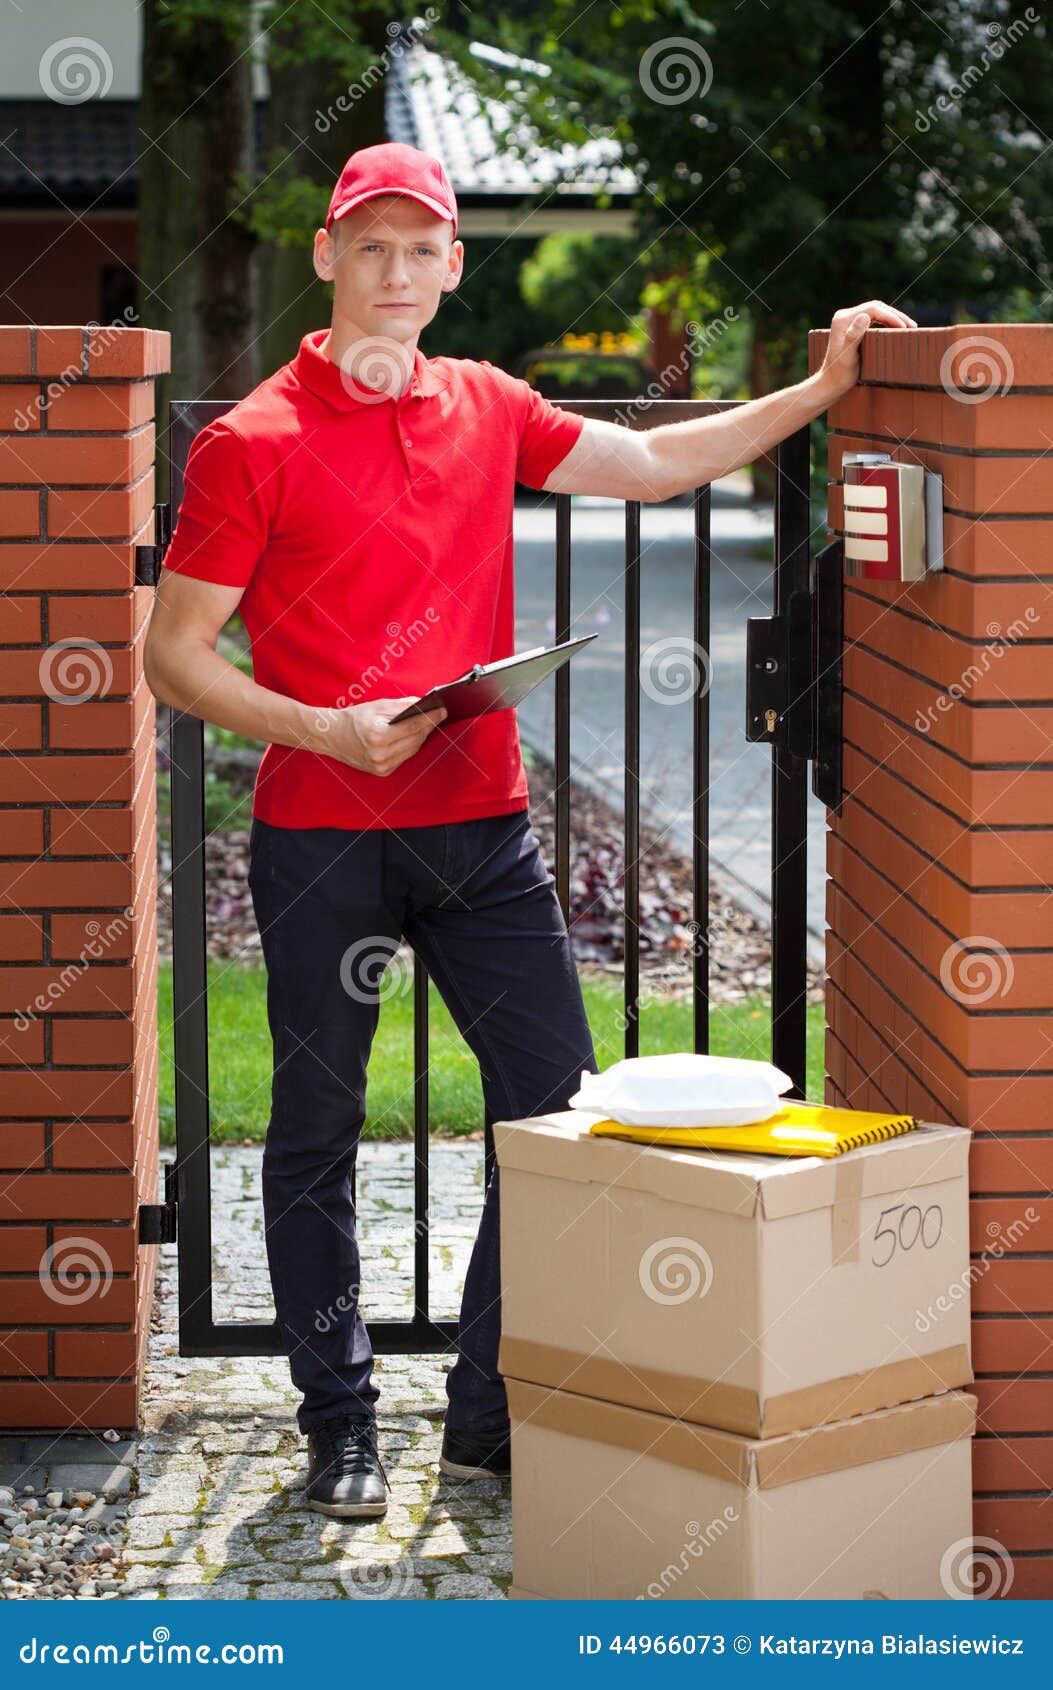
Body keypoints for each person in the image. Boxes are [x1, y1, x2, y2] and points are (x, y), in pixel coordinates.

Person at [144, 139, 915, 1519]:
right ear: (326, 258)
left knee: (557, 1118)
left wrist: (821, 388)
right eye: (367, 245)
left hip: (480, 830)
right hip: (321, 829)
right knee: (313, 1132)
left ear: (450, 266)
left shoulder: (487, 403)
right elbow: (176, 654)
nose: (393, 271)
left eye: (419, 247)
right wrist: (322, 725)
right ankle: (340, 1425)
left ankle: (487, 1413)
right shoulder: (247, 440)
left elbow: (653, 459)